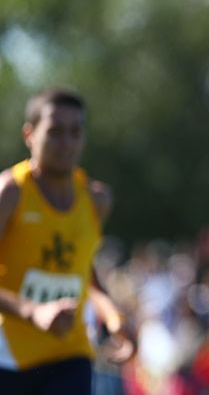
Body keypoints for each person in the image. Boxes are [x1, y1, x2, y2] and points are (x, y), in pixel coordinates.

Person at [0, 88, 134, 393]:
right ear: (29, 135)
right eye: (55, 132)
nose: (67, 143)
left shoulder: (97, 200)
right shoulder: (10, 193)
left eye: (76, 132)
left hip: (69, 354)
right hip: (8, 358)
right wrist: (33, 311)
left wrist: (114, 316)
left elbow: (84, 271)